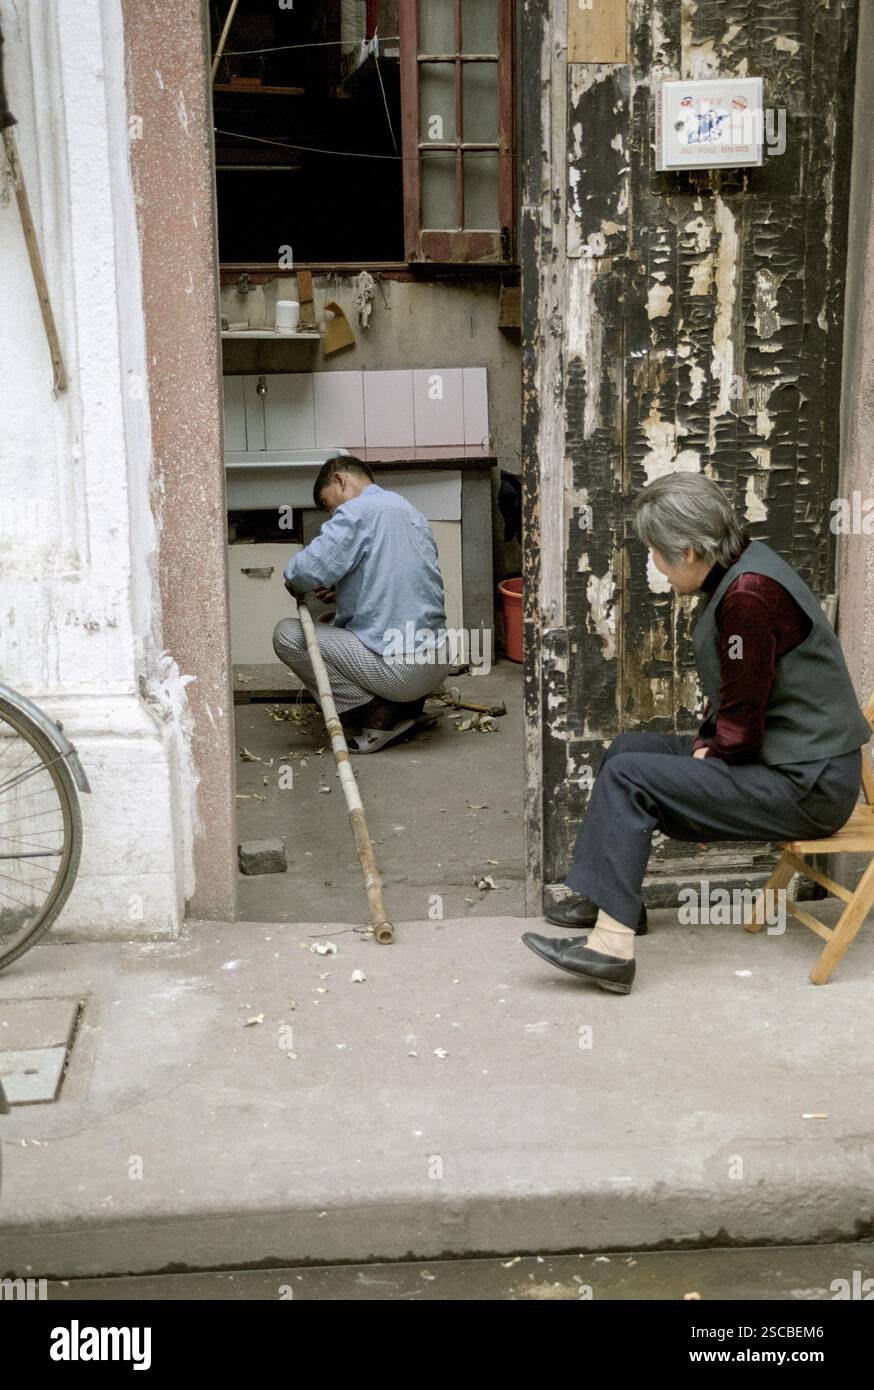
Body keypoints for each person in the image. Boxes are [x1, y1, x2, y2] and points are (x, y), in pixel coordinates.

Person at [522, 470, 871, 994]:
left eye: (656, 553)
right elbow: (748, 695)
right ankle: (620, 903)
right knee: (628, 750)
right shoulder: (742, 569)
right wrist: (712, 745)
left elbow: (745, 715)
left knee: (631, 777)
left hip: (808, 787)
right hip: (786, 760)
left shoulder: (748, 596)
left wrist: (711, 760)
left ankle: (611, 949)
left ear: (687, 551)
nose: (653, 565)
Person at [274, 455, 454, 752]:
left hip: (400, 671)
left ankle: (374, 712)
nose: (332, 514)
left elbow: (304, 571)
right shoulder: (409, 510)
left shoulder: (357, 510)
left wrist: (293, 583)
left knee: (286, 634)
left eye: (329, 504)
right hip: (435, 663)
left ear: (340, 480)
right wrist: (345, 590)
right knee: (330, 620)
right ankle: (406, 707)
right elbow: (398, 578)